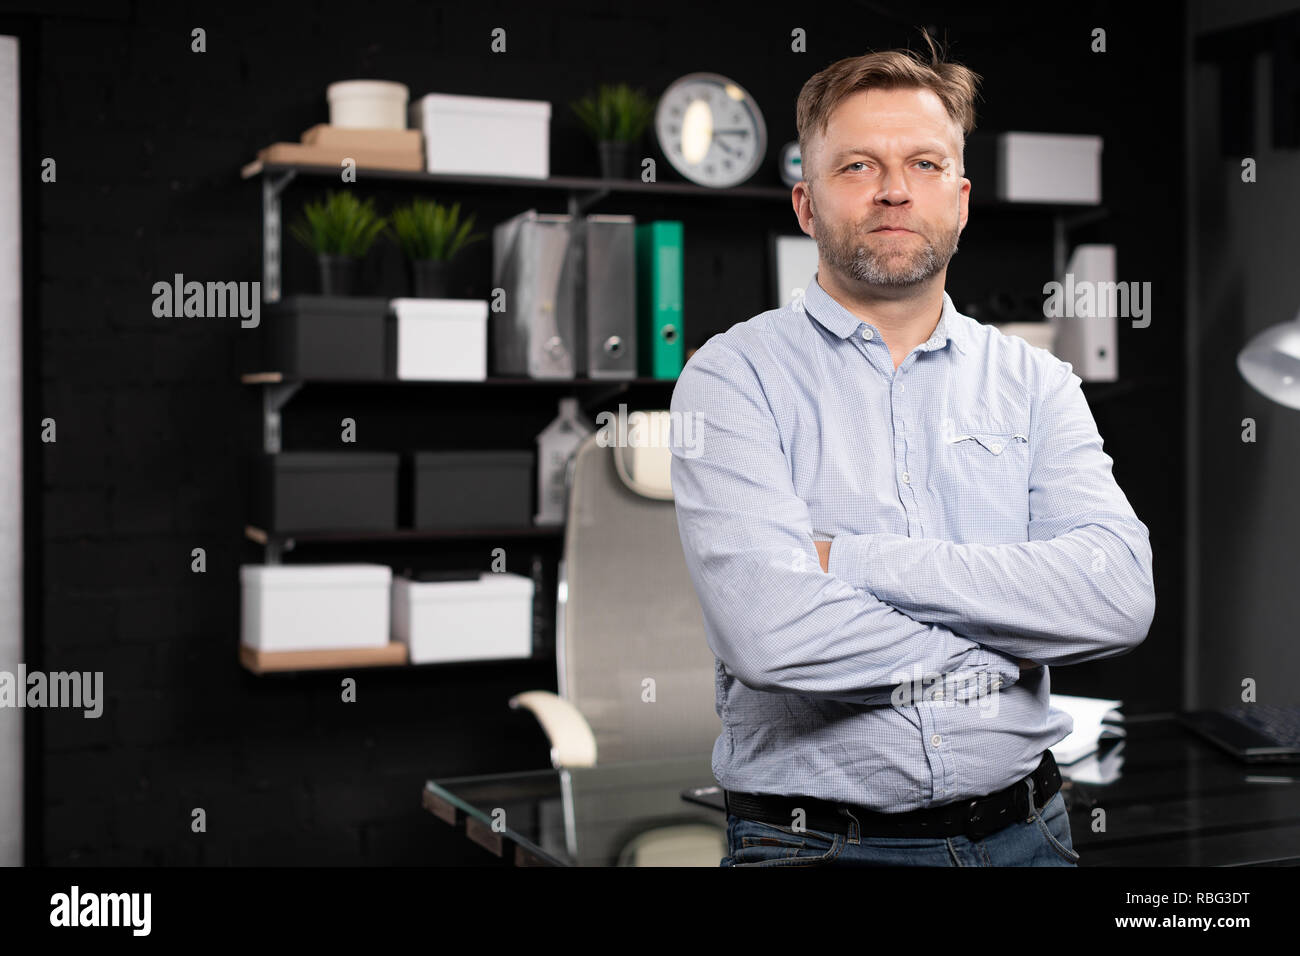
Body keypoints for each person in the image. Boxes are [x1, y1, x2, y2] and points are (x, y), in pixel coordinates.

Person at [668, 34, 1155, 867]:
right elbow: (770, 637)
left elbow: (1115, 596)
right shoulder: (732, 378)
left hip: (1027, 835)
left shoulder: (1038, 383)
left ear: (961, 200)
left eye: (925, 165)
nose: (895, 191)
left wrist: (849, 560)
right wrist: (1002, 652)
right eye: (857, 166)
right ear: (806, 205)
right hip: (816, 847)